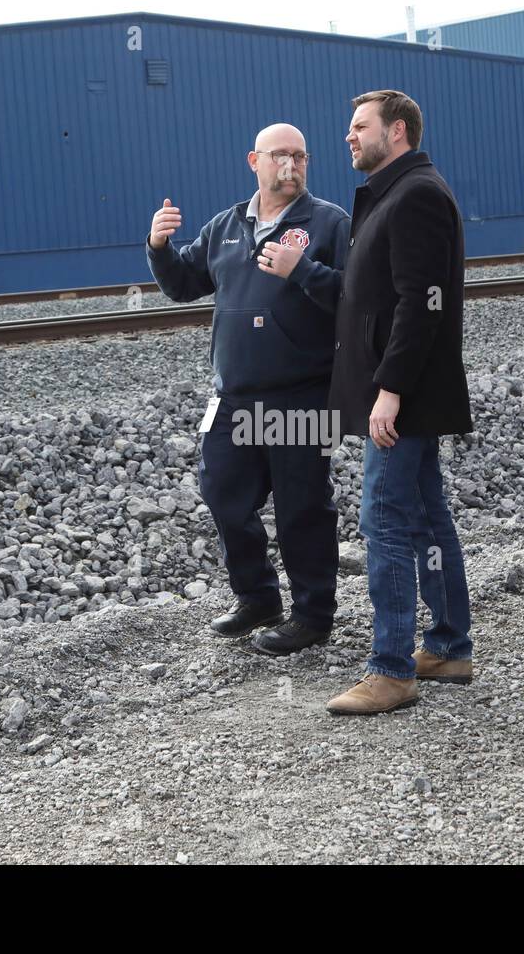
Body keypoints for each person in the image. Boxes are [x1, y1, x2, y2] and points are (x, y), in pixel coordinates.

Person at [147, 123, 350, 655]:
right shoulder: (227, 225)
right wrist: (159, 246)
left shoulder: (328, 223)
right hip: (234, 395)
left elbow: (356, 300)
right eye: (279, 155)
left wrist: (302, 270)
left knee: (302, 508)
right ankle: (257, 597)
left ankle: (312, 613)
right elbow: (182, 285)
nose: (291, 165)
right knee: (223, 494)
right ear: (253, 161)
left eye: (300, 156)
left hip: (303, 393)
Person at [325, 90, 473, 715]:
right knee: (424, 516)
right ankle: (446, 645)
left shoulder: (415, 195)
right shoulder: (396, 192)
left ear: (400, 131)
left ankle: (390, 669)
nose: (350, 137)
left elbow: (421, 302)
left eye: (361, 127)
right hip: (401, 391)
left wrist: (390, 391)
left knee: (384, 522)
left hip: (402, 395)